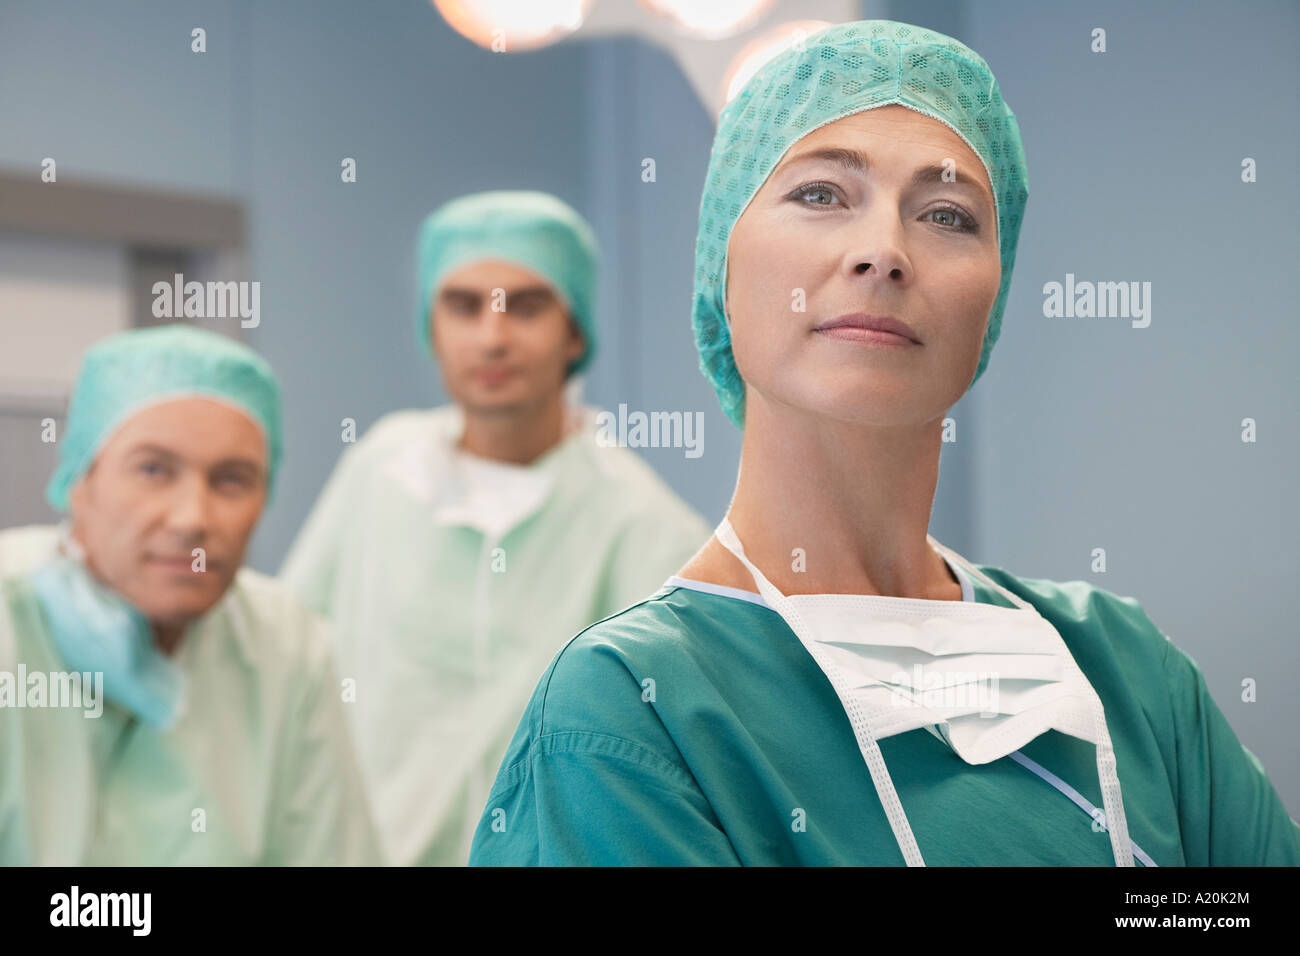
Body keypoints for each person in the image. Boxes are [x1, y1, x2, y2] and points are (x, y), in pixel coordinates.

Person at [468, 20, 1300, 866]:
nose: (884, 253)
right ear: (724, 267)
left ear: (992, 304)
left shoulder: (1127, 670)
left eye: (947, 215)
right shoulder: (632, 711)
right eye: (821, 194)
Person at [279, 190, 711, 866]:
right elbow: (289, 654)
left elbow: (661, 757)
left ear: (575, 334)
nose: (492, 336)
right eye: (464, 306)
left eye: (527, 306)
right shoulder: (379, 469)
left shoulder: (642, 522)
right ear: (431, 329)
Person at [0, 324, 381, 865]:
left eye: (232, 479)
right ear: (80, 480)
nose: (192, 519)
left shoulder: (287, 647)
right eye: (153, 469)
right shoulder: (10, 627)